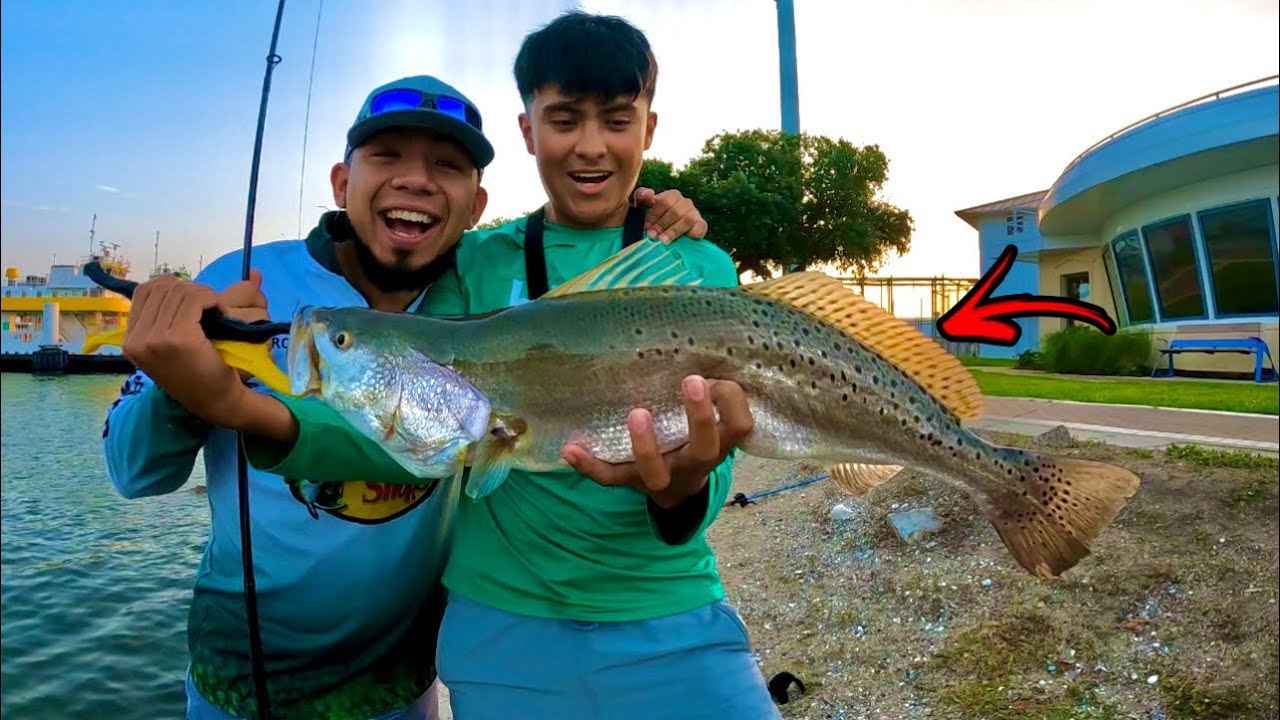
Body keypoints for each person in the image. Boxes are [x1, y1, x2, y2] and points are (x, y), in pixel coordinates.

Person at [102, 71, 710, 720]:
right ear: (342, 183)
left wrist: (654, 214)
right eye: (386, 155)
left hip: (402, 685)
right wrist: (175, 386)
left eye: (447, 165)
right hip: (239, 685)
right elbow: (134, 473)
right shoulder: (240, 281)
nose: (416, 179)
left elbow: (580, 300)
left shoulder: (477, 296)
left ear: (476, 208)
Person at [236, 11, 781, 720]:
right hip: (499, 627)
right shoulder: (476, 261)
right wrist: (243, 408)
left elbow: (704, 487)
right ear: (527, 131)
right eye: (563, 120)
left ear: (649, 129)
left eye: (617, 121)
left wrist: (681, 489)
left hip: (673, 612)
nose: (590, 146)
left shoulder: (697, 263)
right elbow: (414, 434)